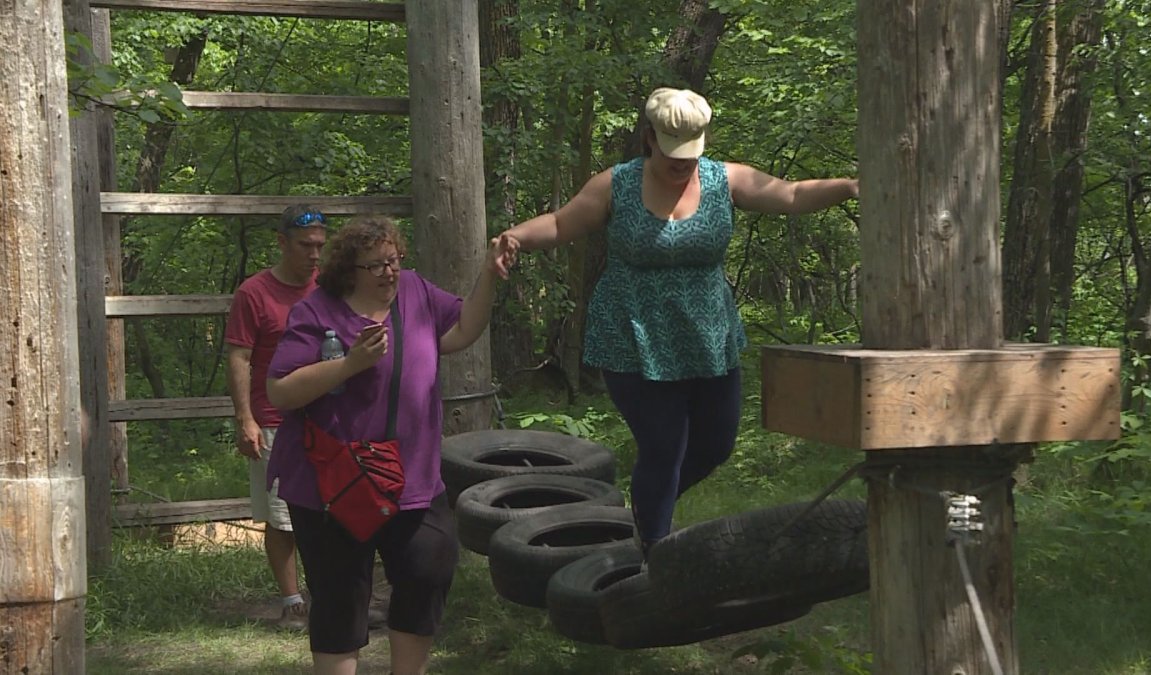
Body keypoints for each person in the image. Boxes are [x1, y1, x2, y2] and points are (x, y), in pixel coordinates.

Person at [491, 87, 859, 559]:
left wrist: (849, 185)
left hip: (708, 337)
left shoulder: (725, 180)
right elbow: (563, 225)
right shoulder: (616, 185)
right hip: (633, 337)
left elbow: (788, 195)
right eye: (672, 152)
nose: (681, 163)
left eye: (691, 151)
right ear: (649, 138)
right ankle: (655, 552)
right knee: (663, 446)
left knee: (716, 443)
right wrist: (516, 237)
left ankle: (645, 507)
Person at [265, 215, 504, 675]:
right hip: (331, 486)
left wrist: (489, 276)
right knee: (340, 597)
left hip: (411, 477)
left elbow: (460, 332)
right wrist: (349, 364)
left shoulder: (416, 291)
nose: (388, 272)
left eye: (392, 260)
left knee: (429, 570)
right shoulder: (317, 311)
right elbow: (280, 391)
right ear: (348, 271)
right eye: (374, 265)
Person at [226, 204, 327, 630]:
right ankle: (292, 602)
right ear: (282, 242)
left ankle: (335, 596)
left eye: (321, 246)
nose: (314, 254)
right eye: (306, 245)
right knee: (284, 514)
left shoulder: (329, 288)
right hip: (274, 418)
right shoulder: (255, 293)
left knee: (333, 511)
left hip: (327, 415)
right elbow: (240, 355)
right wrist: (245, 418)